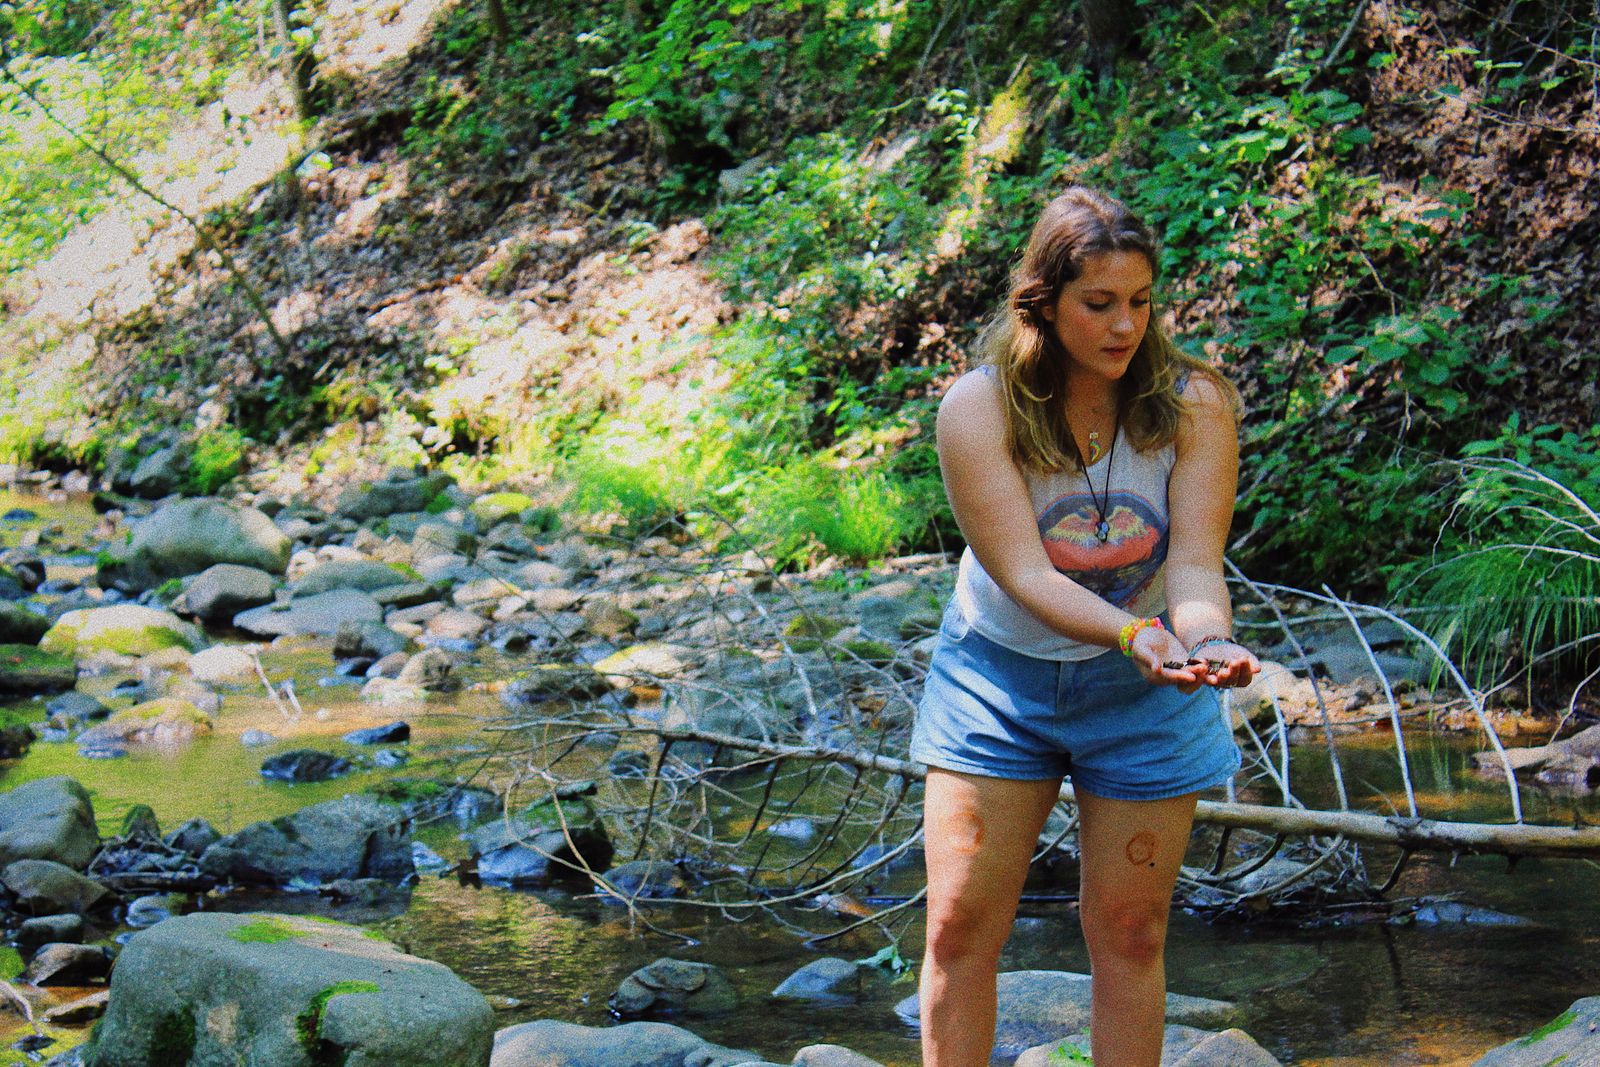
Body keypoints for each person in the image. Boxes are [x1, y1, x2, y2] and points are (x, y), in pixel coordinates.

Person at [911, 185, 1259, 1067]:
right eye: (1098, 304)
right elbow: (1024, 573)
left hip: (1148, 688)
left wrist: (1207, 638)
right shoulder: (978, 409)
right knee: (957, 927)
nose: (1124, 326)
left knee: (1133, 934)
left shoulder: (1195, 404)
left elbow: (1191, 564)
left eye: (1140, 302)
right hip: (1000, 677)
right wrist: (1131, 633)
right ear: (1044, 303)